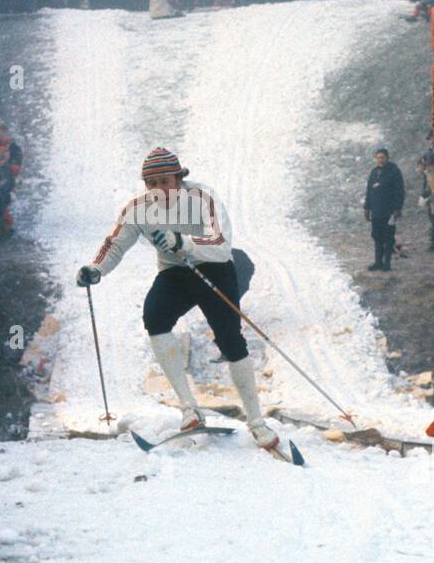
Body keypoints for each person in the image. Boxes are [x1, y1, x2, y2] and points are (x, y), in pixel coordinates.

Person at [75, 147, 280, 450]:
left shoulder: (202, 197)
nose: (160, 189)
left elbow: (221, 244)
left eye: (165, 181)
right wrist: (95, 269)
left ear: (179, 177)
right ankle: (189, 408)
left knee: (230, 340)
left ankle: (256, 422)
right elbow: (115, 244)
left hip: (214, 268)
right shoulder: (138, 208)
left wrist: (181, 241)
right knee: (154, 316)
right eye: (152, 183)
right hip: (175, 271)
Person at [364, 147, 405, 271]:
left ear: (387, 158)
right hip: (376, 211)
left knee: (388, 237)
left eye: (382, 158)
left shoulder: (394, 171)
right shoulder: (374, 172)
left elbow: (400, 191)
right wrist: (367, 208)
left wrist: (397, 208)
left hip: (389, 211)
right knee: (377, 236)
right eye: (378, 158)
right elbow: (369, 191)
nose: (380, 160)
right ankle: (378, 262)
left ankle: (387, 264)